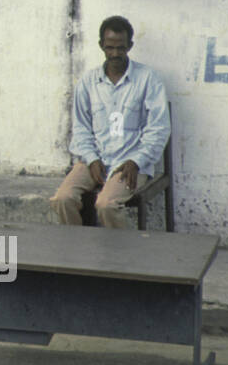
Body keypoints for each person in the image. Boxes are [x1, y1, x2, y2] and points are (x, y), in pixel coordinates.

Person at [51, 16, 170, 229]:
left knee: (106, 204)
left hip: (130, 163)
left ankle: (119, 259)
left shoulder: (148, 79)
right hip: (95, 159)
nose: (115, 54)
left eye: (121, 48)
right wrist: (91, 159)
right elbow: (81, 128)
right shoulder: (88, 82)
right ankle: (78, 253)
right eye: (110, 48)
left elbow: (159, 129)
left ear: (130, 46)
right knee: (63, 199)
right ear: (101, 46)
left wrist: (136, 160)